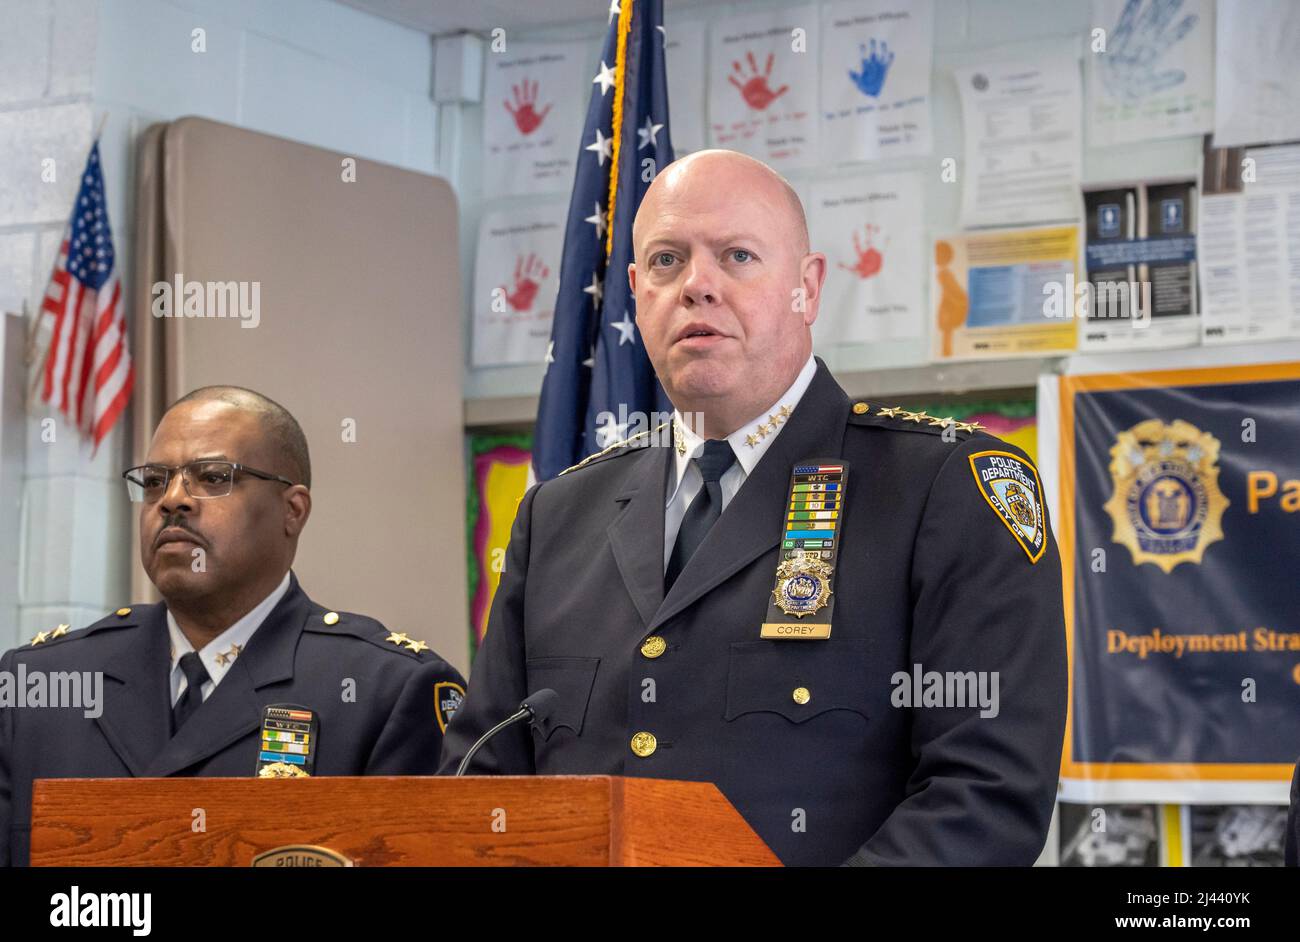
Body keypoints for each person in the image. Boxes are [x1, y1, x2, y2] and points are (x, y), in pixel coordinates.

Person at [440, 150, 1067, 866]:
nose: (697, 286)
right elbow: (478, 781)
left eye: (737, 256)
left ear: (807, 288)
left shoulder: (943, 488)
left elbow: (985, 799)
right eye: (668, 261)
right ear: (637, 295)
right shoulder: (559, 514)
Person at [0, 386, 464, 866]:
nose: (173, 500)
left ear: (293, 511)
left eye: (214, 477)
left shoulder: (385, 691)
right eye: (155, 481)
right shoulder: (43, 683)